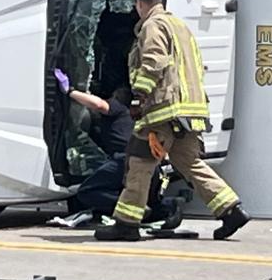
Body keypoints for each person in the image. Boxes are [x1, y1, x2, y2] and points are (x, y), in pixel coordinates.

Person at [95, 0, 250, 242]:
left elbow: (154, 61)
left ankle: (126, 223)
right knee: (189, 162)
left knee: (139, 162)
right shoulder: (180, 26)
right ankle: (230, 211)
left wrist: (138, 97)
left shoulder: (152, 26)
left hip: (164, 112)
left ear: (140, 4)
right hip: (190, 112)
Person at [53, 70, 182, 228]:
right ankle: (164, 207)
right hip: (149, 161)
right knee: (149, 199)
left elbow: (99, 105)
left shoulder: (120, 108)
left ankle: (133, 209)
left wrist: (70, 91)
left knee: (86, 192)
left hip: (125, 159)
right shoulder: (138, 117)